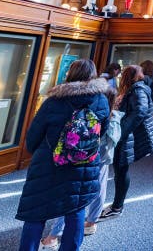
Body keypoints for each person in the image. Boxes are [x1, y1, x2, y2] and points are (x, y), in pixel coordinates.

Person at [15, 59, 110, 251]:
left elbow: (34, 134)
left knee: (36, 212)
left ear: (70, 74)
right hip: (83, 163)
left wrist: (39, 152)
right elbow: (102, 131)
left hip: (49, 162)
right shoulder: (100, 100)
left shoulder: (54, 100)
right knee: (75, 210)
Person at [40, 88, 124, 250]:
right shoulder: (114, 118)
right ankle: (91, 221)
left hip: (86, 159)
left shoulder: (92, 116)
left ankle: (53, 237)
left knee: (73, 195)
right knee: (99, 187)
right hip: (103, 159)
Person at [99, 65, 153, 219]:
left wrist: (121, 132)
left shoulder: (138, 90)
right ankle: (116, 205)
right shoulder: (134, 89)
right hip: (125, 133)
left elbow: (139, 112)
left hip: (126, 134)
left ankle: (117, 206)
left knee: (121, 168)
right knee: (120, 168)